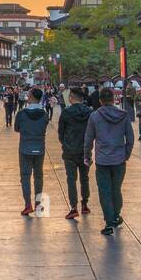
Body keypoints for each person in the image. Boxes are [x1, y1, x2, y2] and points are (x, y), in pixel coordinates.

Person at [83, 87, 134, 235]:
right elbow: (130, 138)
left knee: (104, 191)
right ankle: (116, 215)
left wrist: (87, 156)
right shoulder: (123, 115)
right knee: (116, 189)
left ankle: (109, 222)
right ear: (114, 99)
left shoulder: (94, 116)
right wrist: (126, 154)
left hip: (103, 160)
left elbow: (88, 139)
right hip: (119, 159)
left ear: (100, 101)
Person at [57, 87, 93, 219]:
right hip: (85, 150)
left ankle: (73, 207)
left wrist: (66, 144)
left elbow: (61, 133)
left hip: (70, 151)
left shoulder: (66, 112)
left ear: (71, 97)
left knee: (71, 179)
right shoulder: (89, 112)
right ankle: (85, 204)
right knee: (85, 178)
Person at [14, 87, 50, 215]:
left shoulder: (21, 113)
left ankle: (28, 205)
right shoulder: (45, 114)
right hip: (39, 147)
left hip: (25, 147)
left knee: (25, 176)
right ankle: (38, 204)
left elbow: (16, 128)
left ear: (31, 97)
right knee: (38, 175)